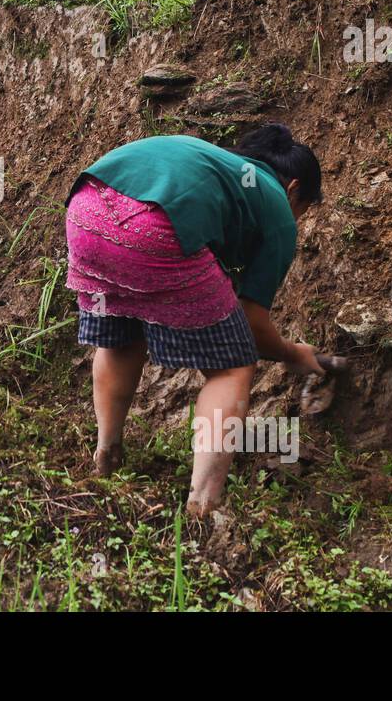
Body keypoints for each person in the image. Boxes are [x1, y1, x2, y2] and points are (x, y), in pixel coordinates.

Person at [64, 123, 326, 516]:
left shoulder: (216, 167)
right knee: (232, 365)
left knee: (121, 336)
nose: (297, 220)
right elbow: (253, 327)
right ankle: (203, 505)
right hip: (155, 227)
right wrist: (293, 352)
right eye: (302, 210)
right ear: (293, 190)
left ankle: (106, 454)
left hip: (84, 214)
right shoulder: (276, 207)